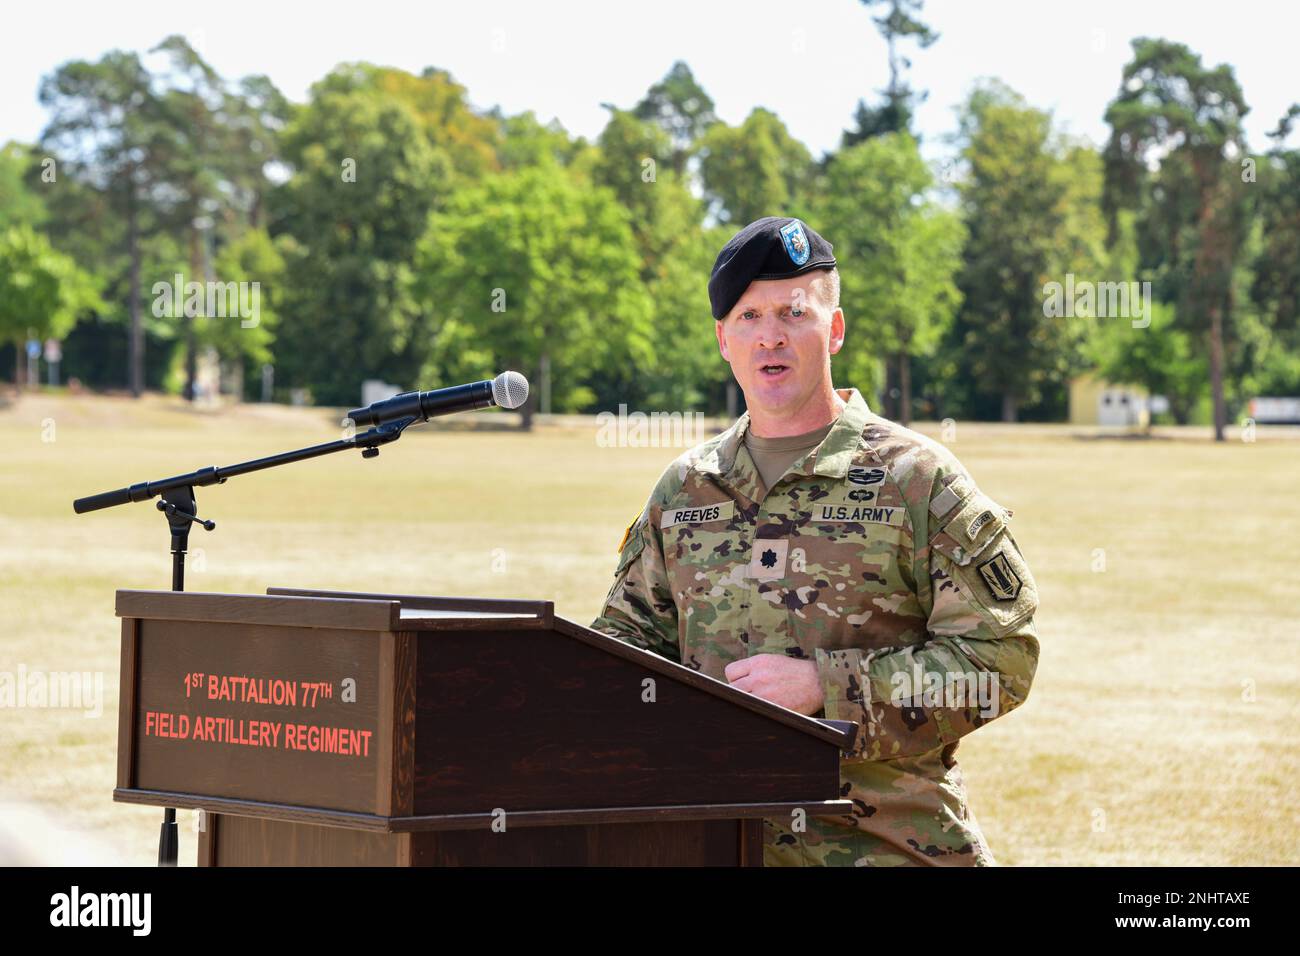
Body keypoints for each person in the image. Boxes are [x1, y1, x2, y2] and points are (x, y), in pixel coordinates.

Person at [589, 216, 1040, 866]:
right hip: (719, 846)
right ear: (723, 339)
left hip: (885, 851)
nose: (769, 335)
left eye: (793, 312)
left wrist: (829, 689)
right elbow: (623, 654)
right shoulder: (685, 491)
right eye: (748, 317)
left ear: (834, 329)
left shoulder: (916, 479)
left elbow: (1002, 661)